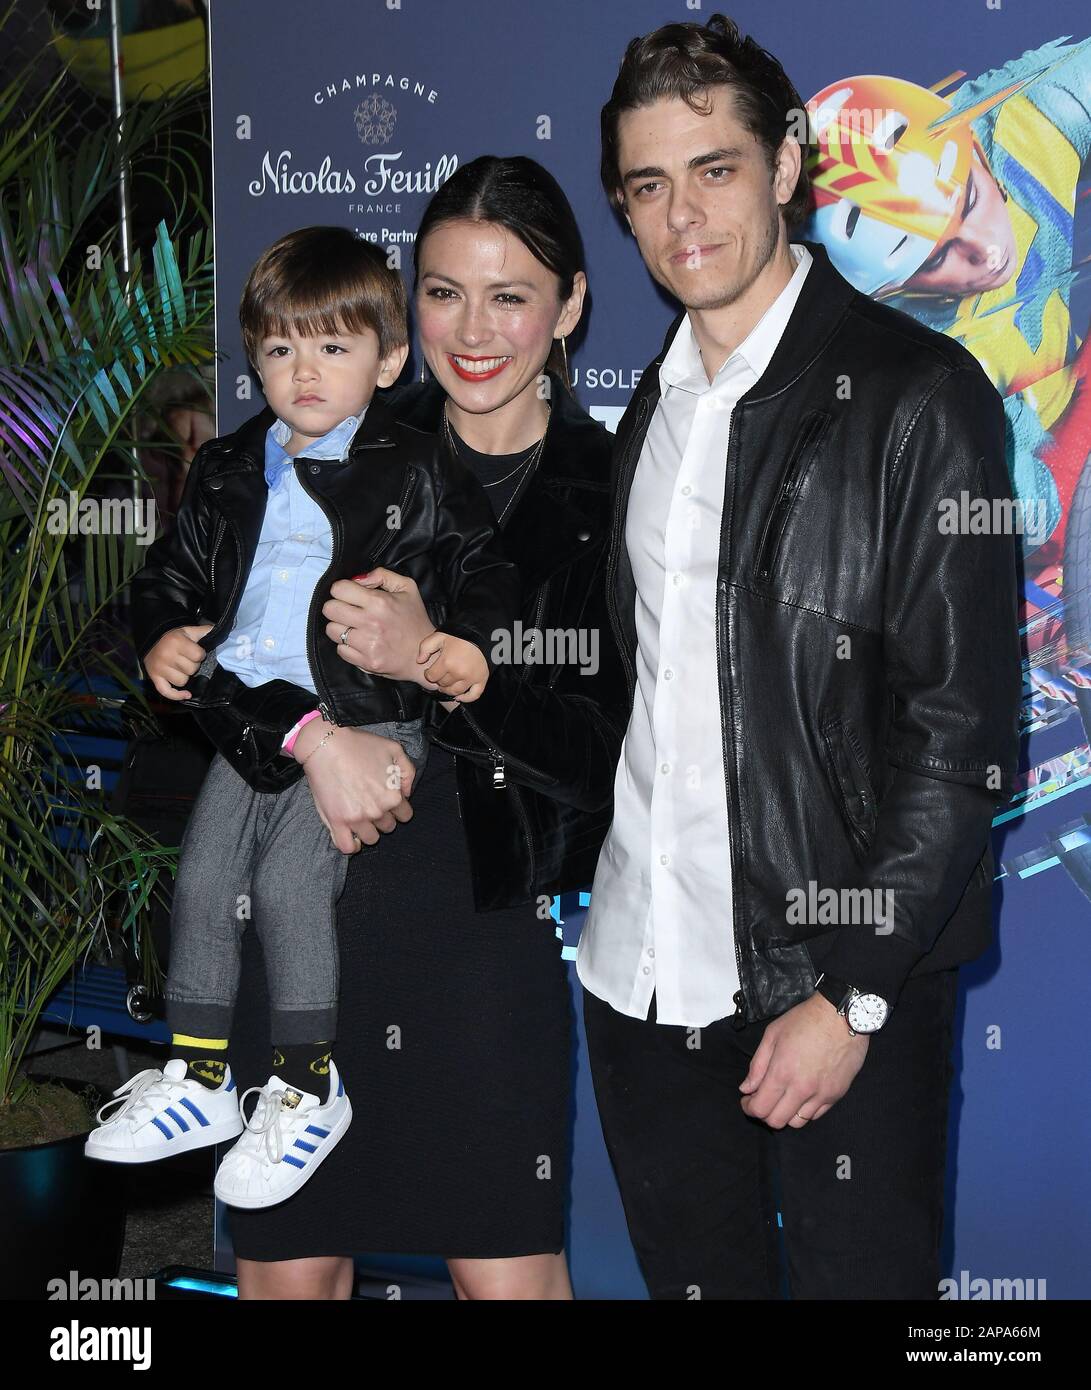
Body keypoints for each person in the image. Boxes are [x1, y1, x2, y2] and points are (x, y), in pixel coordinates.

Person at [576, 14, 1023, 1299]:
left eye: (712, 169)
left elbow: (962, 741)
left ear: (783, 167)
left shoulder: (916, 395)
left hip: (824, 992)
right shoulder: (646, 411)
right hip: (638, 983)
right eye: (647, 186)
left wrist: (856, 994)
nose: (681, 218)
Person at [224, 156, 630, 1299]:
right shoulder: (329, 442)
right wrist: (312, 735)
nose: (475, 329)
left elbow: (599, 753)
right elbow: (207, 653)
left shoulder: (615, 489)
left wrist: (444, 669)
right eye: (445, 292)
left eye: (510, 296)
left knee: (510, 1273)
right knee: (288, 1270)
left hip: (481, 933)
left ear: (570, 306)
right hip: (306, 916)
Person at [85, 226, 520, 1215]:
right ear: (254, 359)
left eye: (332, 346)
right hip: (249, 720)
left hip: (363, 718)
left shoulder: (416, 462)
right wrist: (160, 634)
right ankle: (197, 1081)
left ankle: (309, 1084)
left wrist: (456, 648)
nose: (304, 371)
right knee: (199, 880)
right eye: (280, 349)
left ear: (388, 357)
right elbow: (170, 574)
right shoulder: (230, 463)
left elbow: (485, 571)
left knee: (288, 888)